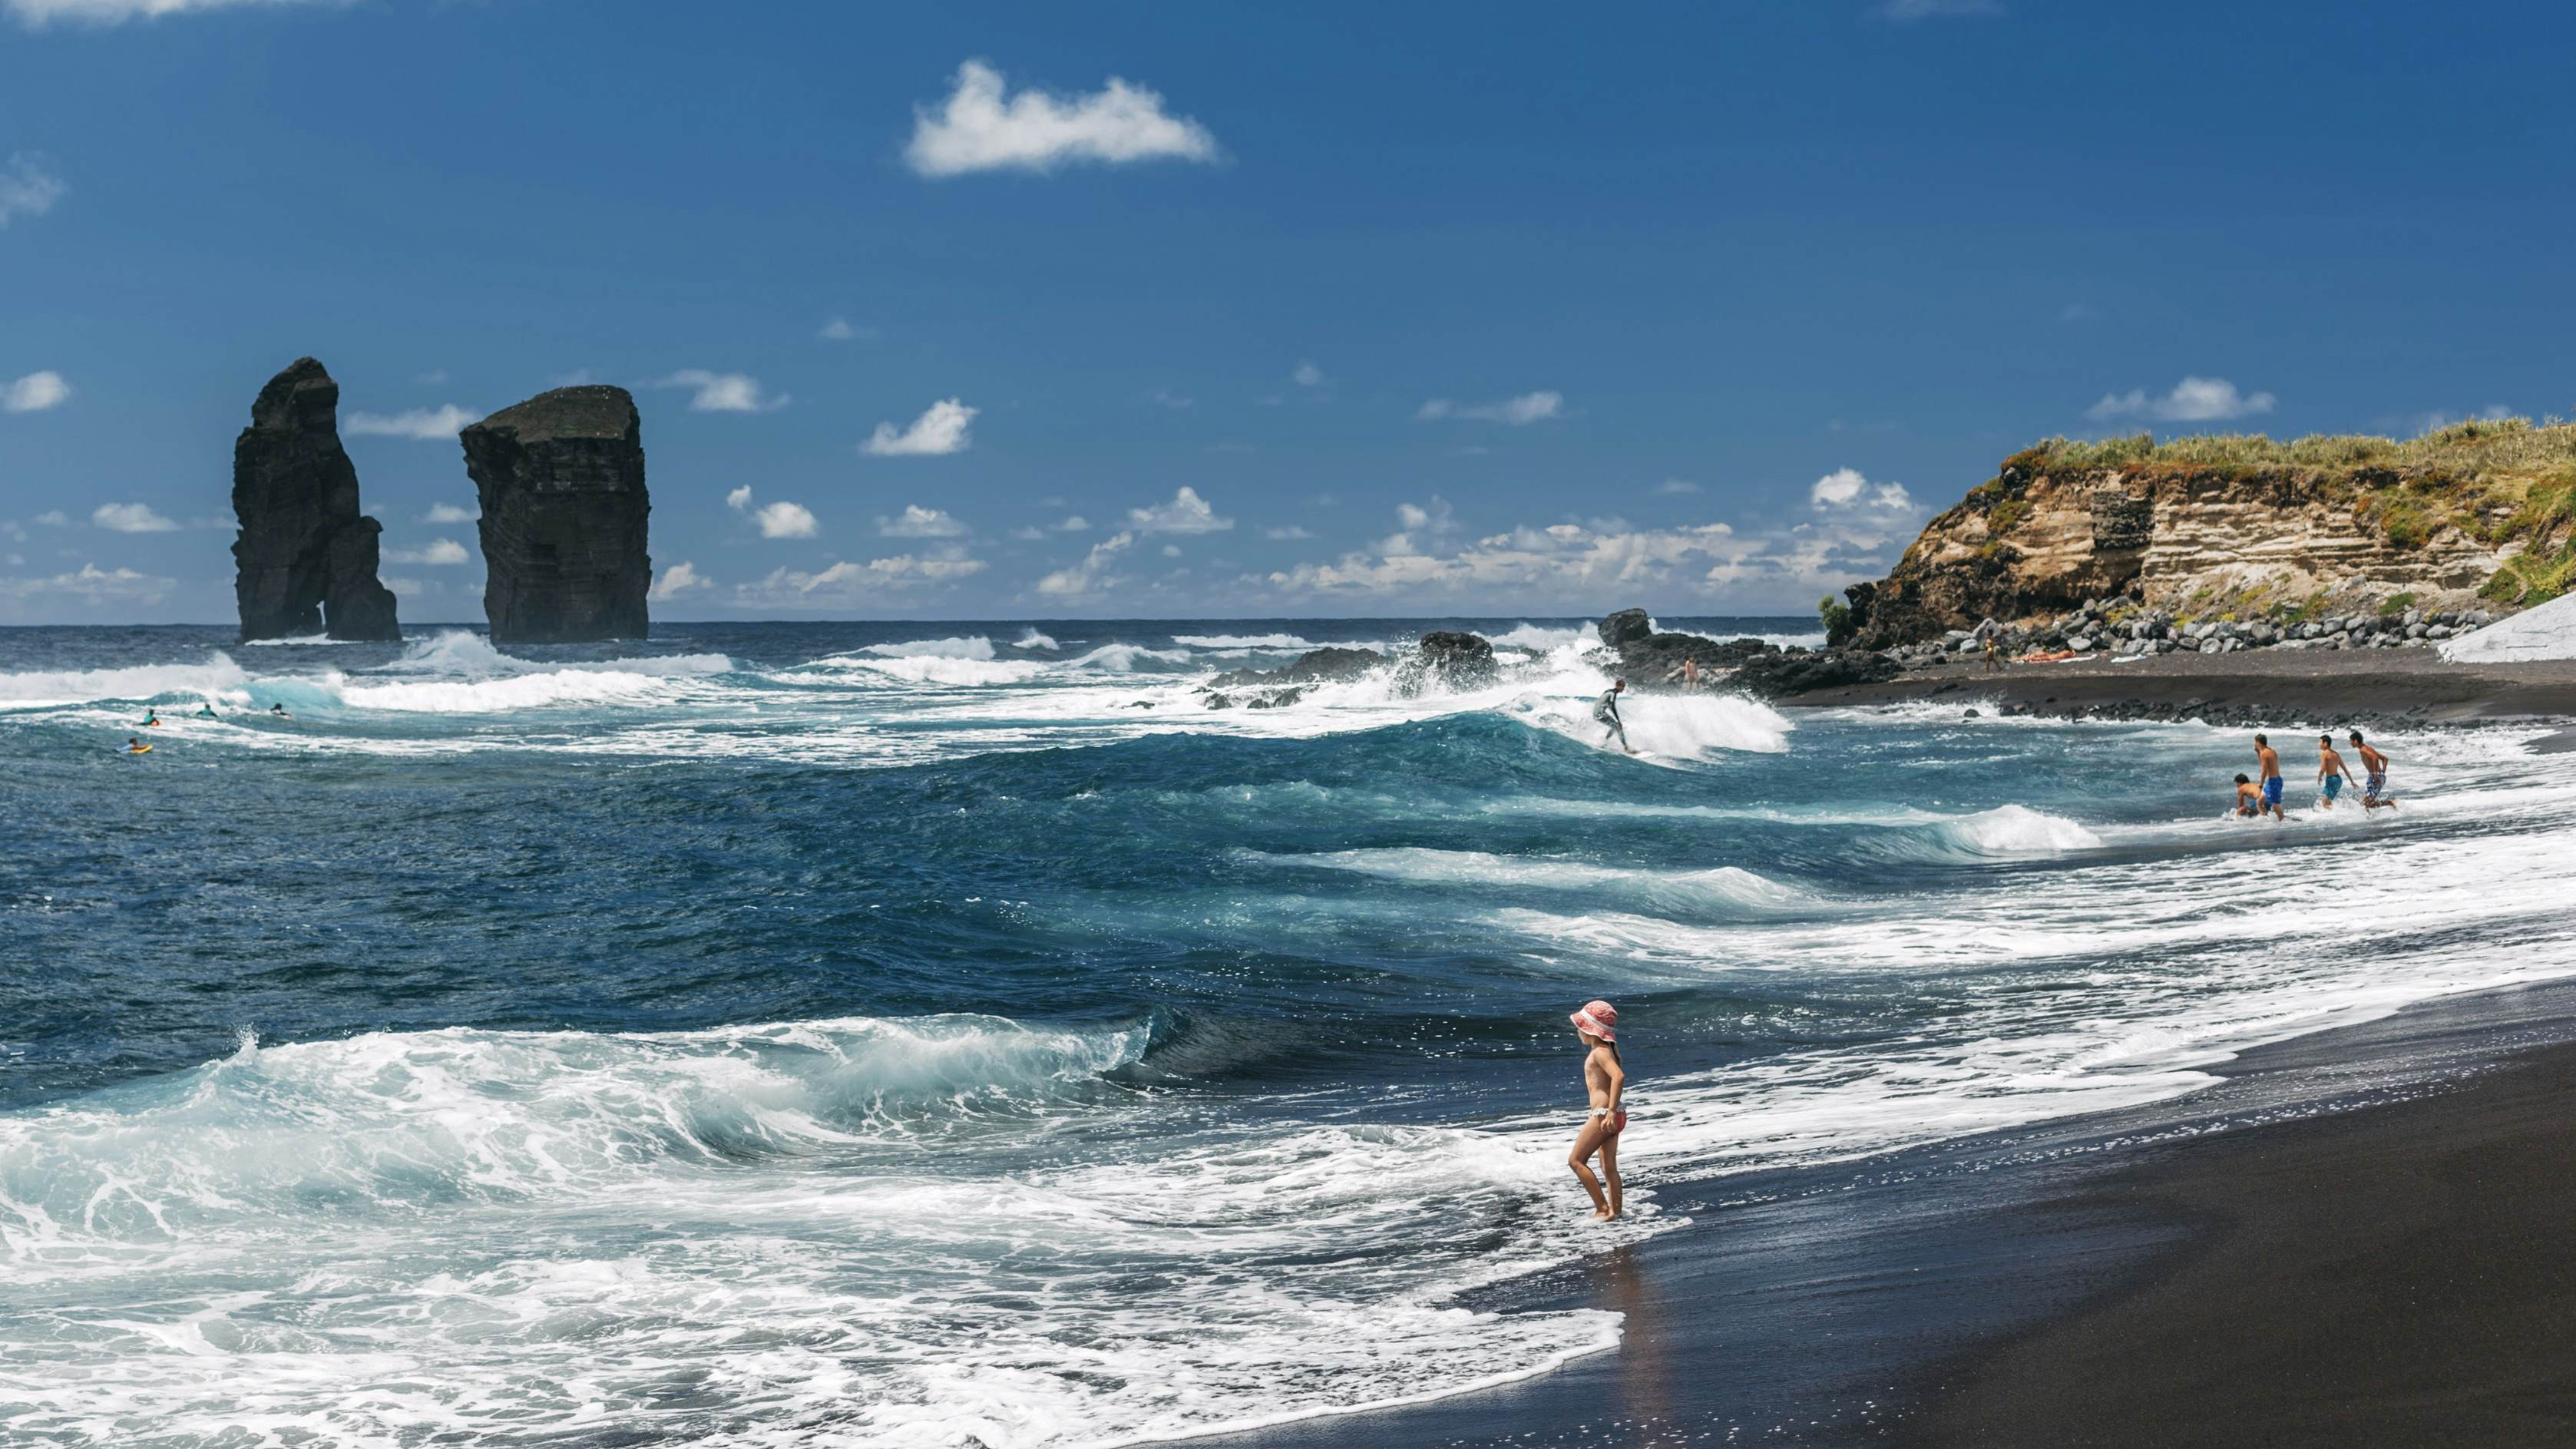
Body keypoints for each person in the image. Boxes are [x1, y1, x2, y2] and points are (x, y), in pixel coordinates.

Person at [1566, 1000, 1627, 1220]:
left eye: (1580, 1026)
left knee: (1576, 1161)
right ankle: (1615, 1212)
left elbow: (1619, 1077)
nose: (1577, 1031)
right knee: (1608, 1167)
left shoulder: (1600, 1052)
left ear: (1589, 1029)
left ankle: (1602, 1209)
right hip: (1617, 1113)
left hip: (1605, 1114)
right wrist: (1614, 1111)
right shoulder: (1607, 1050)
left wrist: (1609, 1111)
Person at [2349, 729, 2396, 810]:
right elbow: (2385, 759)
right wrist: (2382, 773)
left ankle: (2390, 803)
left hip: (2374, 777)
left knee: (2366, 804)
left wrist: (2376, 774)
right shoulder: (2368, 748)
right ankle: (2369, 818)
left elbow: (2375, 758)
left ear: (2356, 741)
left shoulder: (2363, 750)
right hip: (2376, 776)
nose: (2350, 743)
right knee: (2366, 803)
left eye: (2351, 741)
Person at [2315, 733, 2356, 809]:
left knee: (2324, 802)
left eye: (2320, 742)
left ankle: (2337, 814)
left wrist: (2319, 777)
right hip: (2338, 780)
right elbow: (2345, 769)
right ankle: (2336, 813)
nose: (2318, 744)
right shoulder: (2336, 754)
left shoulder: (2324, 754)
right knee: (2328, 801)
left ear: (2325, 743)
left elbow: (2323, 769)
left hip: (2331, 780)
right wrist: (2352, 782)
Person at [1593, 679, 1635, 755]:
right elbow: (1612, 706)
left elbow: (1604, 703)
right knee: (1618, 727)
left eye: (1624, 687)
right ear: (1617, 686)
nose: (1623, 689)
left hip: (1597, 713)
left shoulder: (1608, 691)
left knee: (1614, 727)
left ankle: (1605, 743)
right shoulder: (1612, 694)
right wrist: (1618, 720)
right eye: (1622, 687)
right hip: (1600, 713)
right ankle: (1626, 748)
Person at [2252, 733, 2285, 821]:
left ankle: (2283, 822)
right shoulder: (2271, 751)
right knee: (2259, 802)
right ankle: (2267, 820)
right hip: (2277, 780)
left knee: (2275, 804)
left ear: (2259, 743)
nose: (2254, 744)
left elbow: (2264, 771)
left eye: (2255, 742)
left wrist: (2261, 785)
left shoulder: (2264, 754)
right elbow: (2264, 763)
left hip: (2273, 782)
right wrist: (2258, 752)